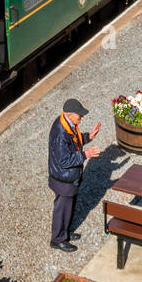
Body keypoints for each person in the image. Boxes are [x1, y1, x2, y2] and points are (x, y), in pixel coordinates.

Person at [47, 98, 101, 252]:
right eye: (79, 115)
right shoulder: (60, 132)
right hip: (63, 179)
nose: (81, 118)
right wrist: (86, 154)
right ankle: (57, 240)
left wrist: (88, 137)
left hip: (69, 178)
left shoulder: (68, 124)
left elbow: (74, 143)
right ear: (69, 114)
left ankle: (65, 232)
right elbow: (64, 160)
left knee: (68, 208)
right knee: (62, 210)